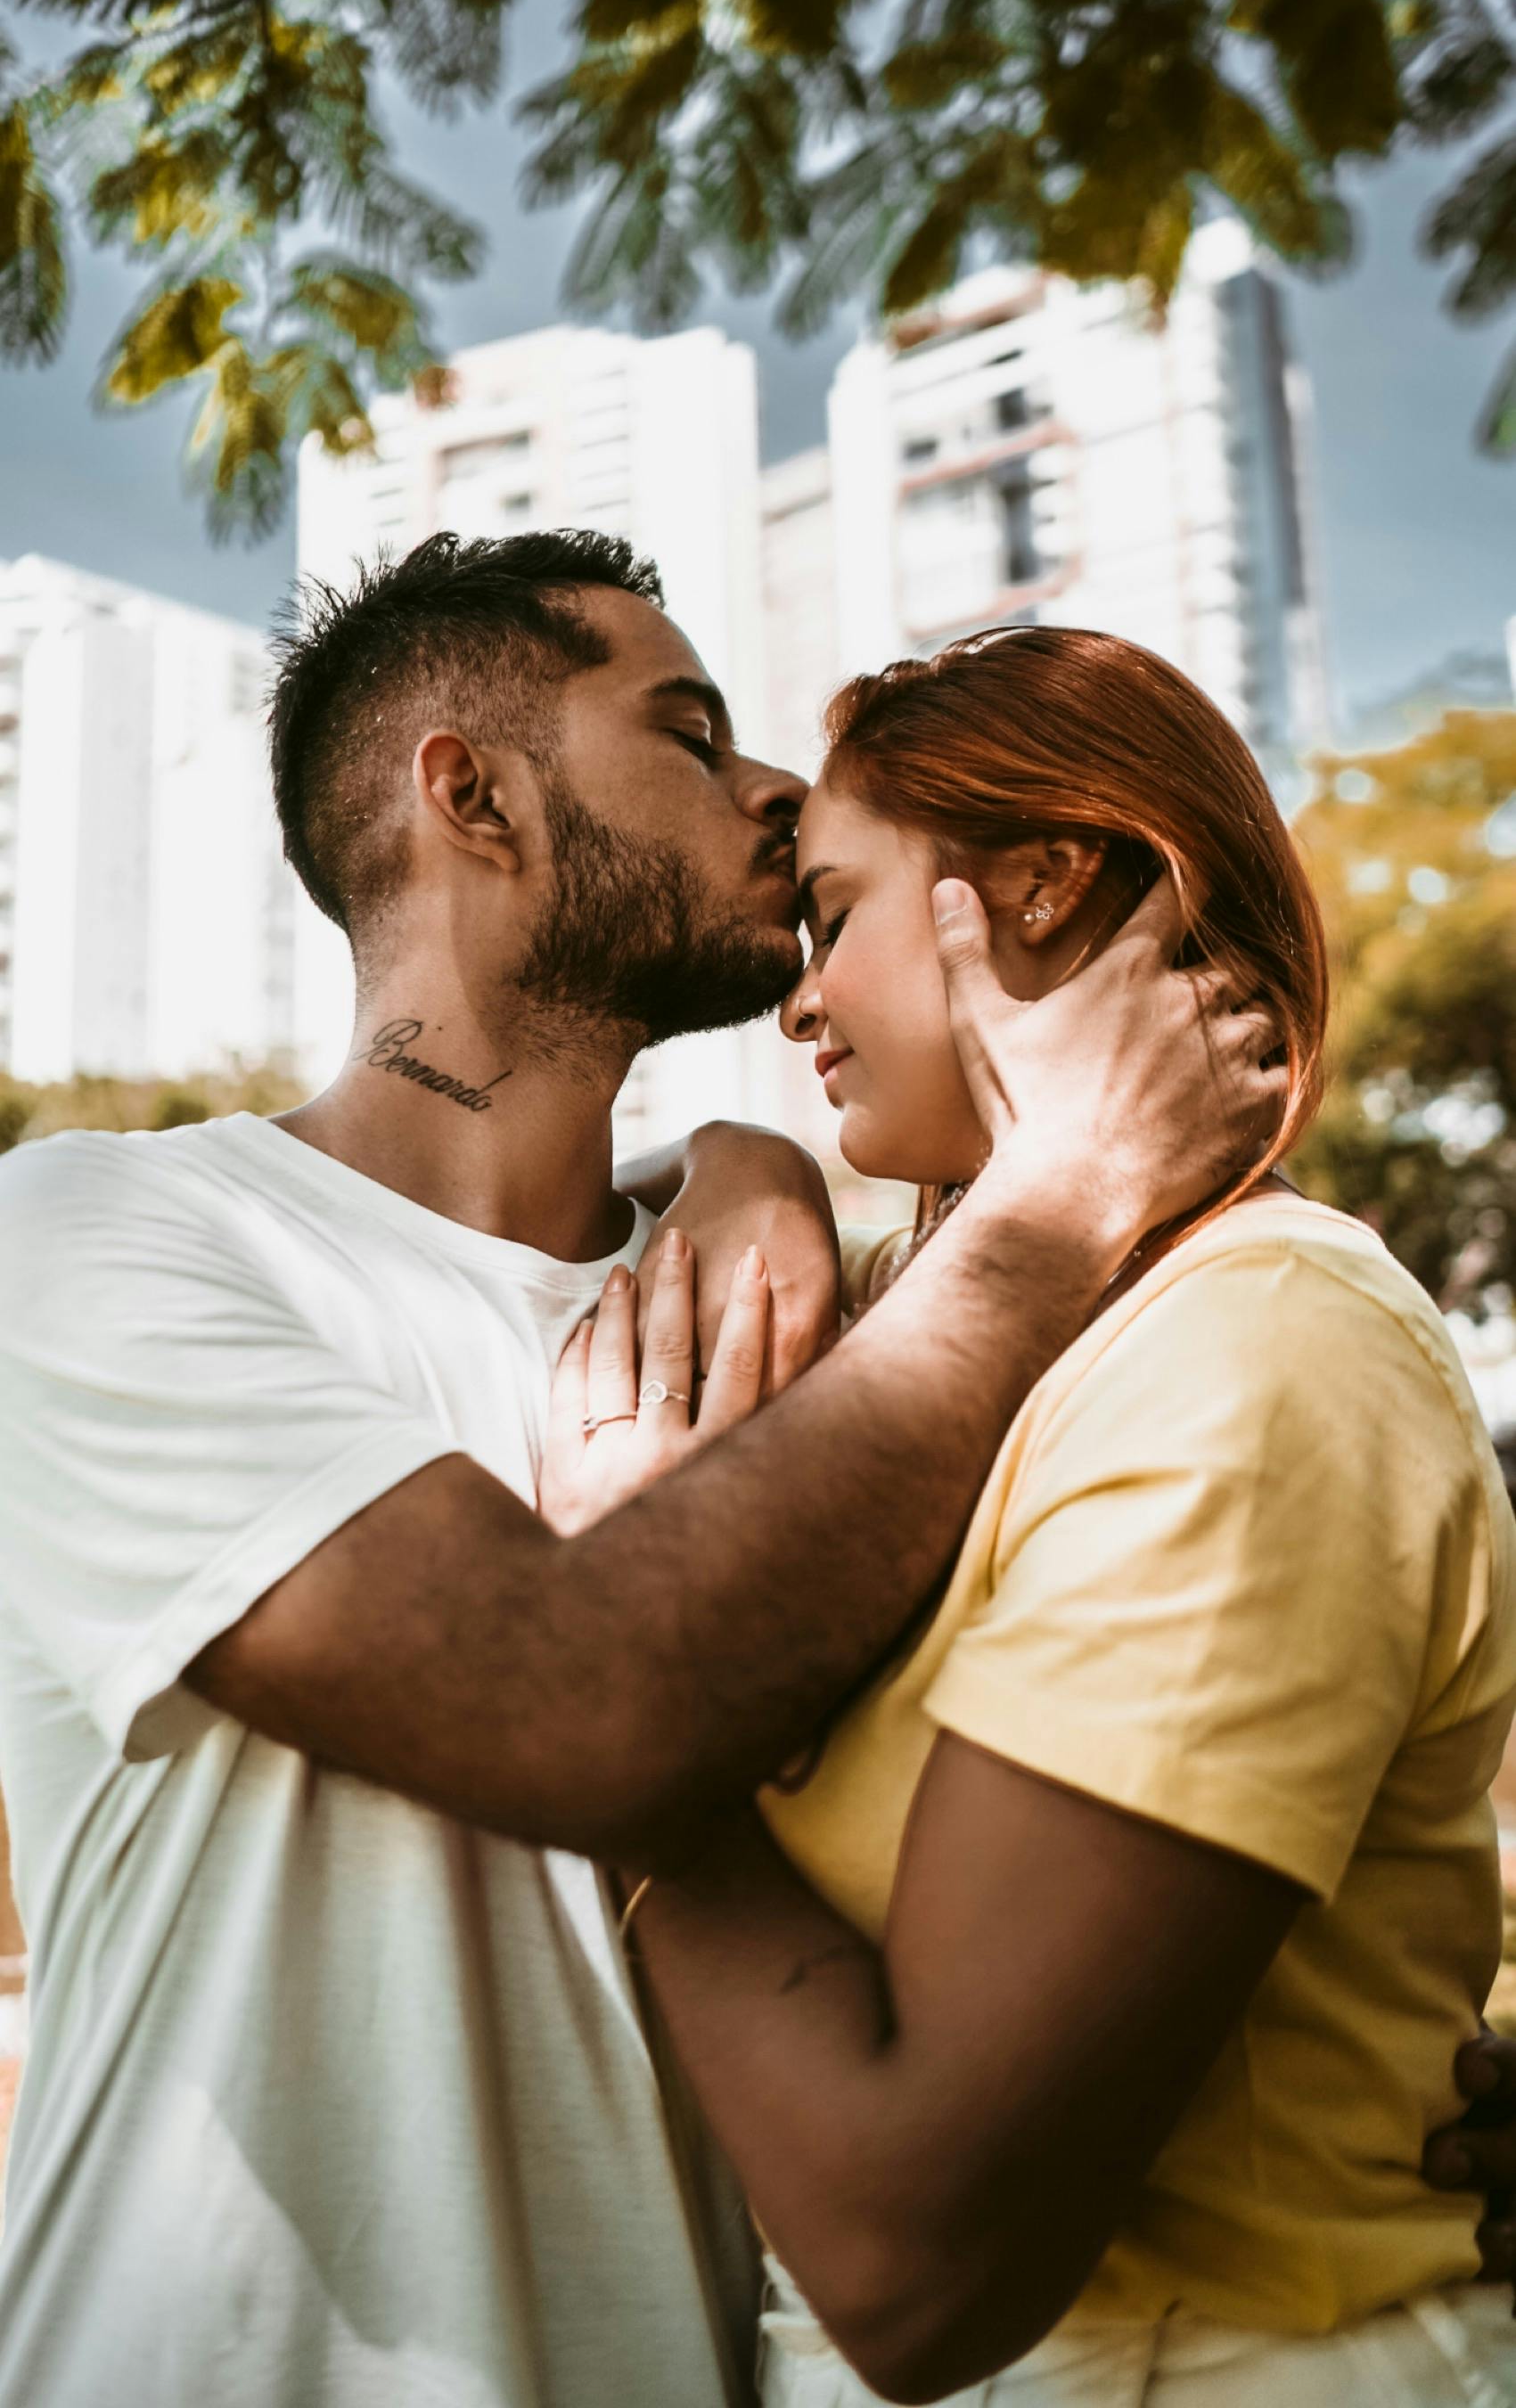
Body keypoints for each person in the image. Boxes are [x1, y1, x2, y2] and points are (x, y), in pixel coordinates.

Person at [0, 535, 1285, 2408]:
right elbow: (577, 1707)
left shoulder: (845, 1324)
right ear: (476, 797)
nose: (772, 790)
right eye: (688, 731)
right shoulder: (102, 1236)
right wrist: (1056, 1203)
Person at [551, 624, 1516, 2408]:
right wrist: (739, 1168)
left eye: (831, 913)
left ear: (1048, 887)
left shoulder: (1258, 1349)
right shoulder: (948, 1312)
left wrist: (645, 1735)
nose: (795, 995)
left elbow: (916, 2260)